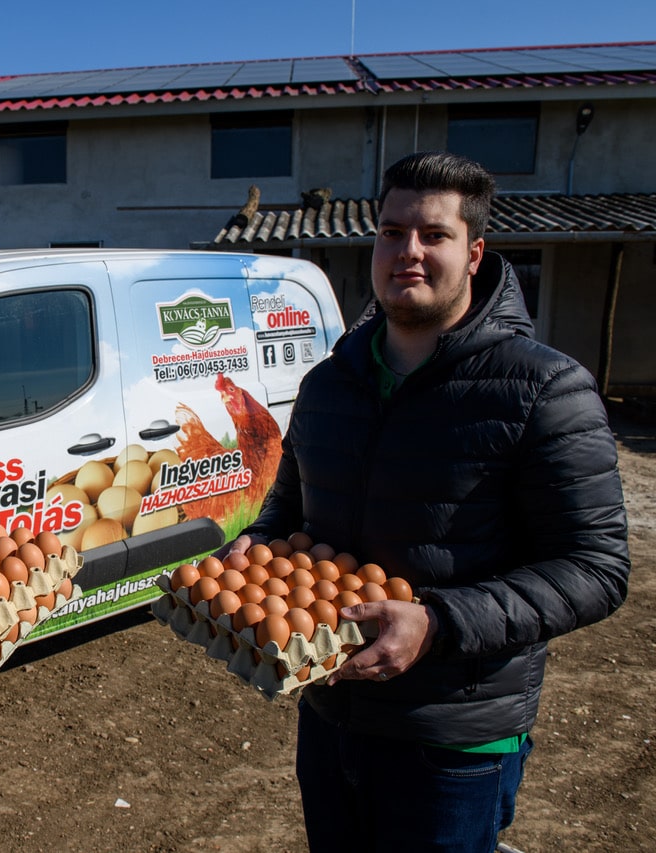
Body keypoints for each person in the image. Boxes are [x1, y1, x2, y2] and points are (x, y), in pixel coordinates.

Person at [217, 151, 630, 852]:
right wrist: (258, 542)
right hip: (329, 711)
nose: (407, 251)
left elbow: (595, 567)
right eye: (390, 231)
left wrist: (437, 621)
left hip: (453, 737)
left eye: (433, 235)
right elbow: (289, 506)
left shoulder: (542, 389)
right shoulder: (329, 384)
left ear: (474, 253)